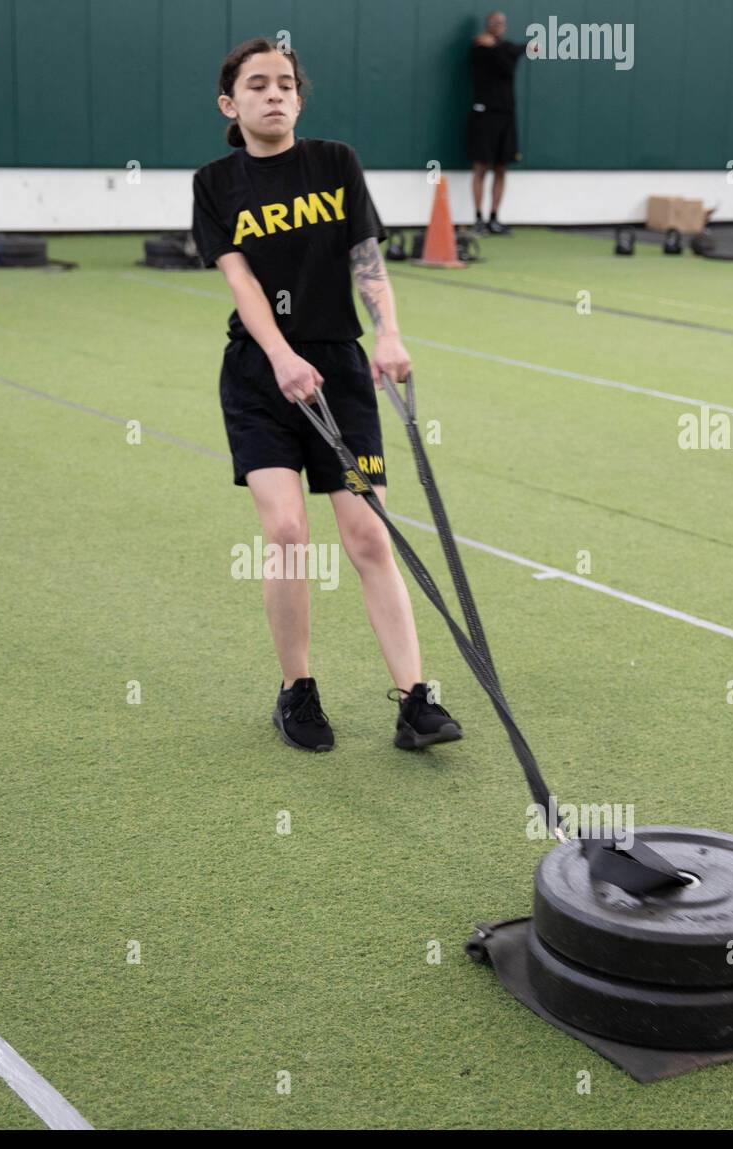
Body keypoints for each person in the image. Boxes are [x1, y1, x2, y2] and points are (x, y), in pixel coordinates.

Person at [191, 37, 463, 754]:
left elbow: (365, 258)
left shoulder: (335, 163)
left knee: (370, 533)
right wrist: (280, 355)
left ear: (299, 99)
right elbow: (241, 282)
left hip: (339, 373)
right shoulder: (215, 183)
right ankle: (297, 689)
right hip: (259, 374)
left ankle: (415, 700)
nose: (274, 94)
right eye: (257, 85)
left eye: (285, 84)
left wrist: (390, 335)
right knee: (285, 535)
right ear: (232, 103)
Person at [468, 11, 529, 236]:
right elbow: (502, 55)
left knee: (502, 168)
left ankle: (494, 217)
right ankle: (478, 219)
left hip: (506, 115)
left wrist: (497, 47)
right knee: (481, 167)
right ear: (488, 26)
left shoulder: (505, 50)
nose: (498, 26)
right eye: (494, 23)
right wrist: (493, 47)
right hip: (484, 114)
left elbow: (519, 52)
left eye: (501, 23)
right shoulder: (478, 49)